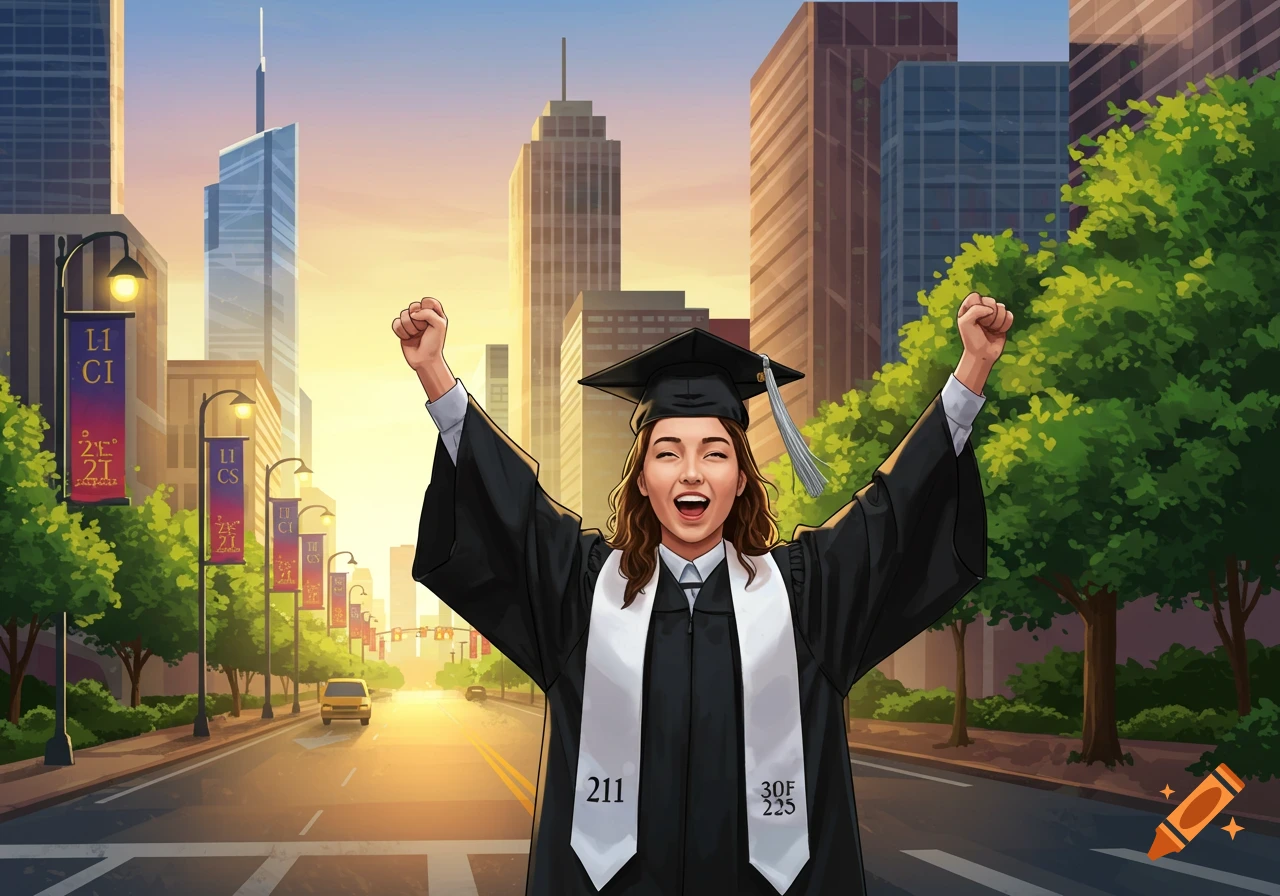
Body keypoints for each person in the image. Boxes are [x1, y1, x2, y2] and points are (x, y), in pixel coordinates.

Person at [395, 292, 1012, 896]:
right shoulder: (581, 591)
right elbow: (512, 514)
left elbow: (894, 518)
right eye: (668, 453)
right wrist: (435, 374)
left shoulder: (807, 594)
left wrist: (973, 369)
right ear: (642, 478)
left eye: (714, 453)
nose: (691, 472)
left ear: (741, 478)